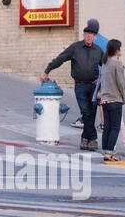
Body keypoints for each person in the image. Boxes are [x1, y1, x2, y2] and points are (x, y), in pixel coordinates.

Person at [42, 19, 107, 151]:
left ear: (95, 37)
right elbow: (61, 58)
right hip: (80, 86)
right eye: (87, 33)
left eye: (92, 34)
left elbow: (106, 68)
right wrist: (47, 70)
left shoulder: (99, 51)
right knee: (86, 111)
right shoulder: (75, 47)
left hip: (94, 86)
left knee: (92, 113)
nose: (89, 36)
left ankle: (85, 139)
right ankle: (93, 138)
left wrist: (103, 87)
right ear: (83, 34)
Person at [97, 38, 125, 162]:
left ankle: (105, 151)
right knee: (115, 127)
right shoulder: (117, 63)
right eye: (119, 48)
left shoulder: (105, 63)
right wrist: (124, 97)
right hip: (115, 99)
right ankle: (110, 153)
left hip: (105, 100)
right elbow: (121, 83)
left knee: (107, 127)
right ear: (116, 51)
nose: (120, 51)